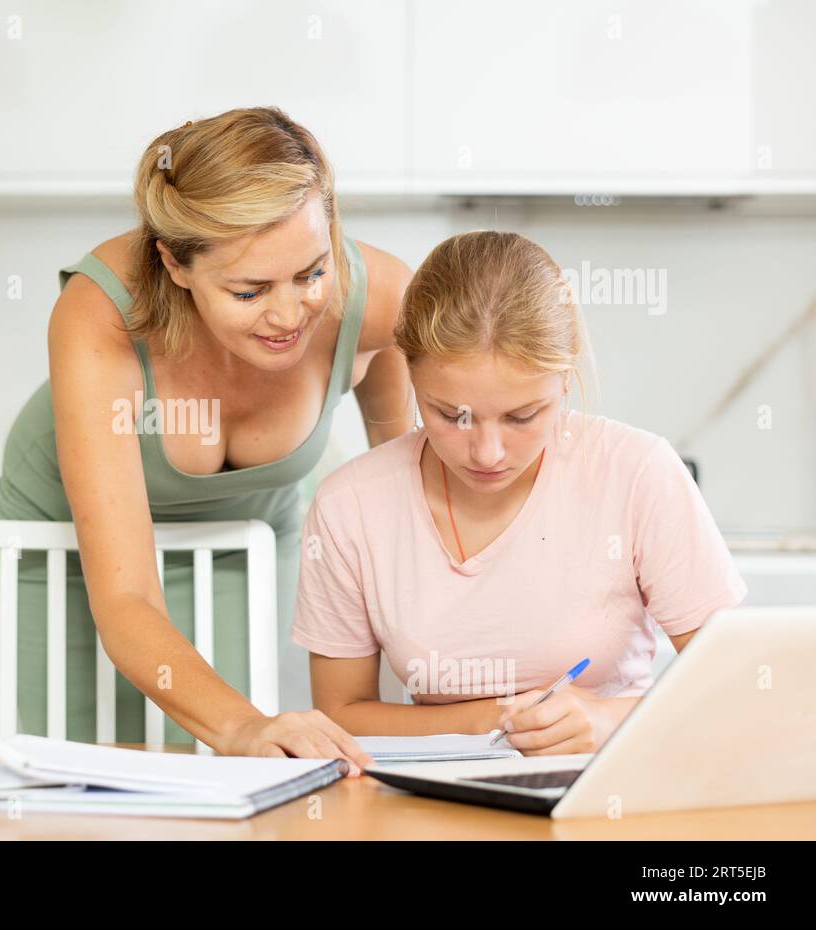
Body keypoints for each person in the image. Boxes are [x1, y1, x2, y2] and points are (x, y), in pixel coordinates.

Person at [0, 106, 414, 770]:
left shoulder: (377, 299)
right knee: (89, 771)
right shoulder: (101, 316)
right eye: (249, 292)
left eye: (310, 273)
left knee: (234, 770)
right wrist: (242, 724)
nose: (287, 315)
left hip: (247, 534)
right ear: (176, 265)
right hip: (70, 539)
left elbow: (414, 489)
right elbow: (127, 598)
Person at [293, 230, 747, 755]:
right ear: (410, 374)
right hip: (441, 802)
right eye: (451, 415)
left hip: (612, 792)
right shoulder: (352, 504)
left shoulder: (638, 472)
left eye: (523, 416)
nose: (487, 454)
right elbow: (340, 714)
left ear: (565, 380)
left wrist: (607, 721)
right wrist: (492, 718)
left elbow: (737, 687)